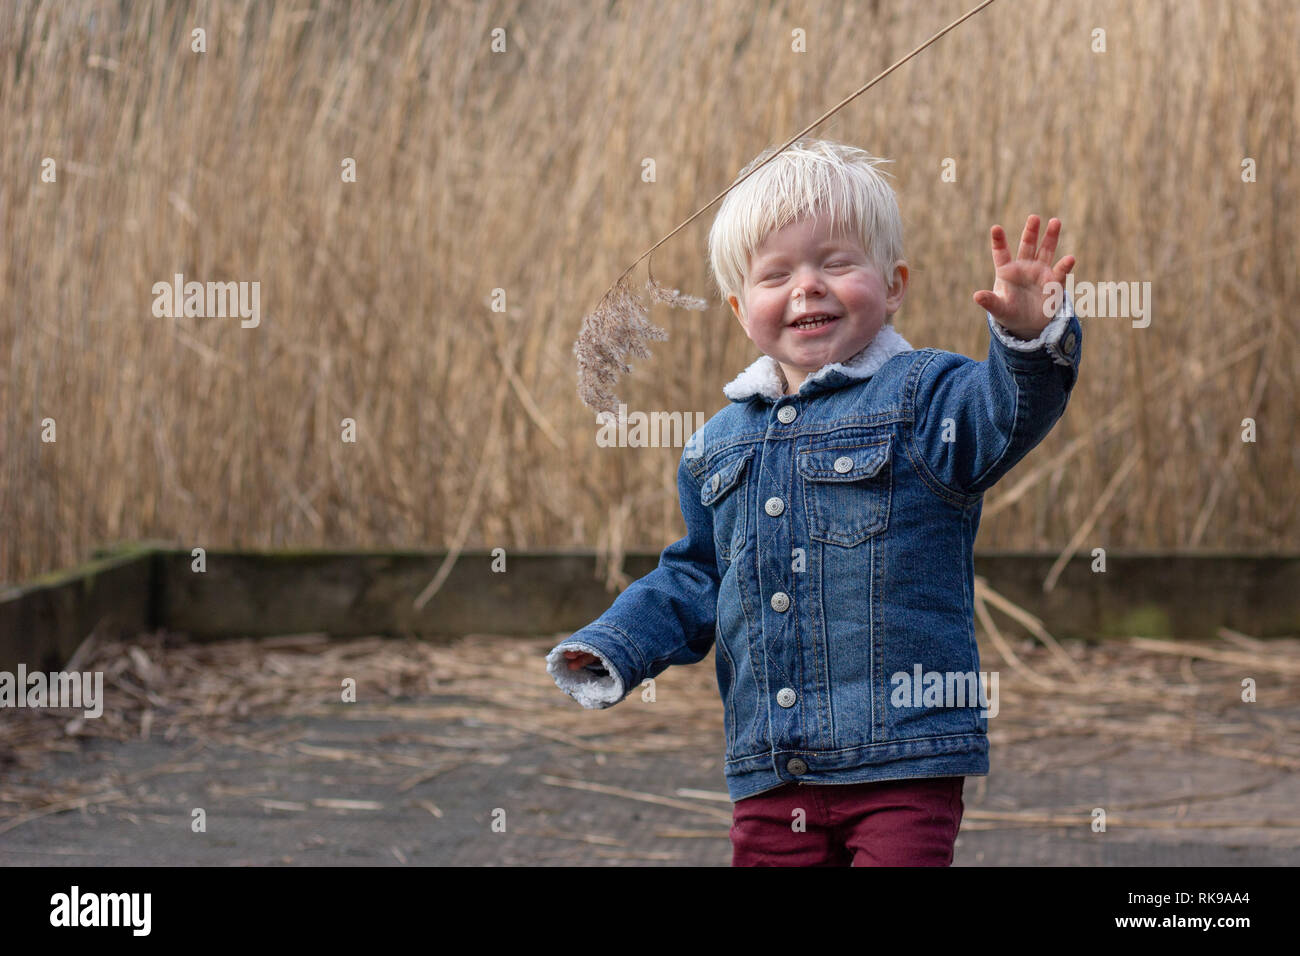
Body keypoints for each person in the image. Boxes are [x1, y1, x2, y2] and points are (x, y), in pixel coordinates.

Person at [547, 138, 1081, 865]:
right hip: (772, 767)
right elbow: (697, 574)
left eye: (836, 263)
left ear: (893, 285)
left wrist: (1026, 337)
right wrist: (616, 644)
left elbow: (1008, 415)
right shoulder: (716, 447)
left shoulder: (924, 398)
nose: (808, 286)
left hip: (903, 760)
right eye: (777, 274)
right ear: (741, 309)